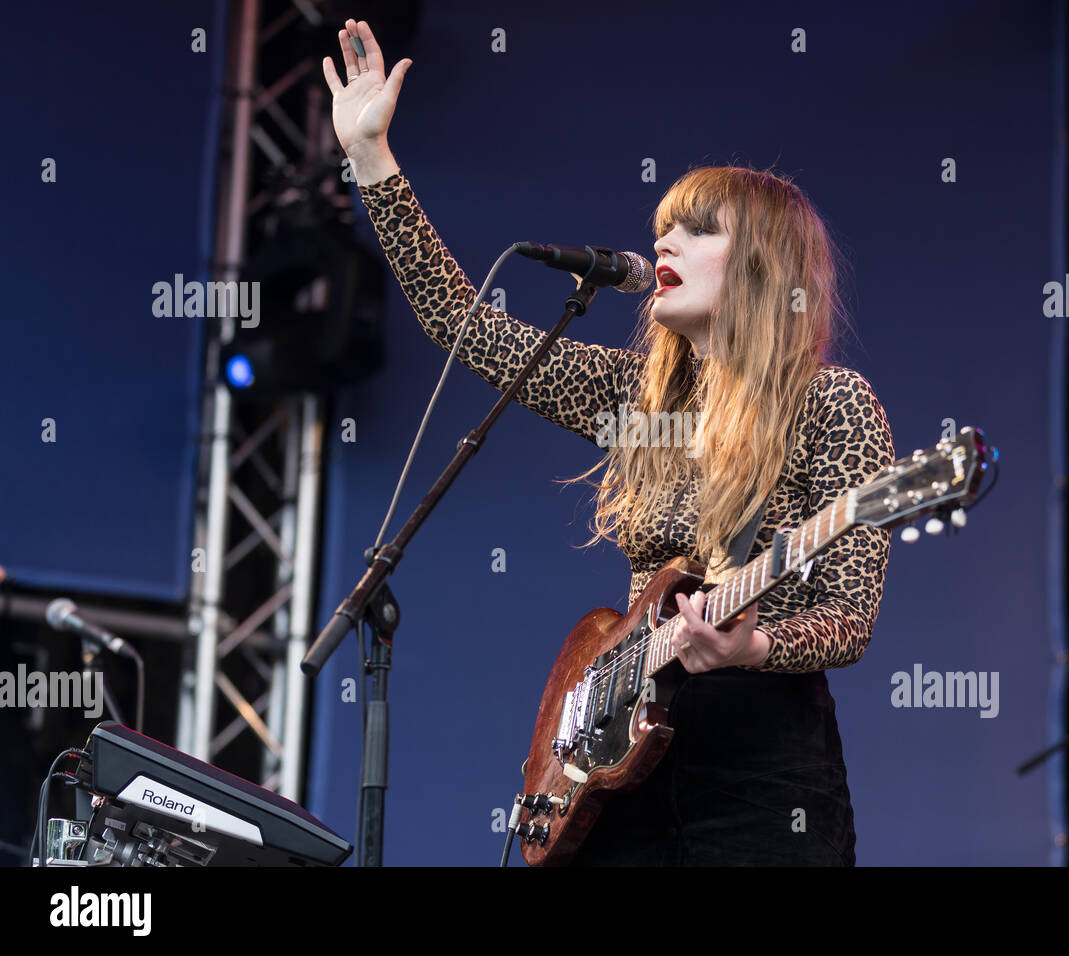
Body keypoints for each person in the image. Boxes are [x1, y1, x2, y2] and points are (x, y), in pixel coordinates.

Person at [323, 18, 894, 866]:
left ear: (764, 267)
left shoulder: (831, 404)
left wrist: (752, 644)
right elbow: (461, 321)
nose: (664, 240)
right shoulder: (634, 394)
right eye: (664, 225)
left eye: (698, 230)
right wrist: (372, 160)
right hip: (618, 756)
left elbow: (849, 618)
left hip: (761, 771)